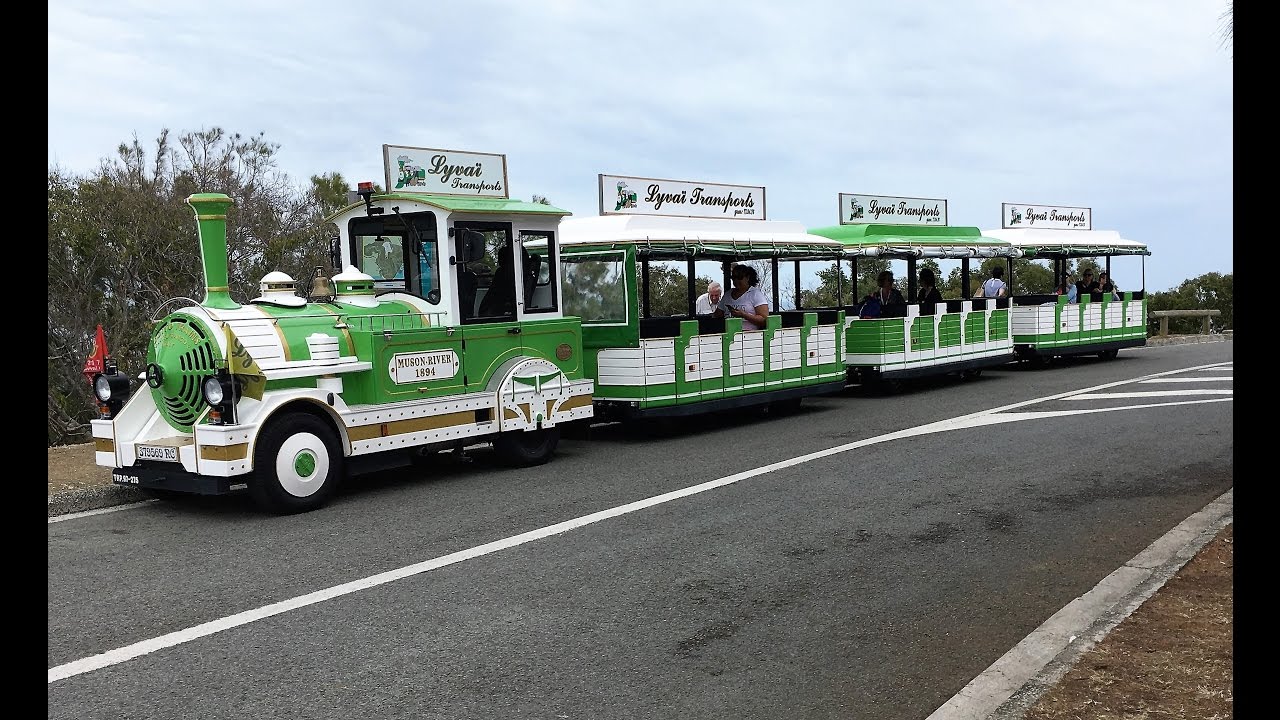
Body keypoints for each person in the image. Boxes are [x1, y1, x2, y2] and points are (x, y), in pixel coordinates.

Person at [715, 264, 769, 330]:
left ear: (747, 278)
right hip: (728, 334)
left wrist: (744, 315)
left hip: (750, 336)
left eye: (739, 277)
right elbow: (717, 314)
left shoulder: (755, 294)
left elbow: (764, 320)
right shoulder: (728, 294)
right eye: (734, 278)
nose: (736, 281)